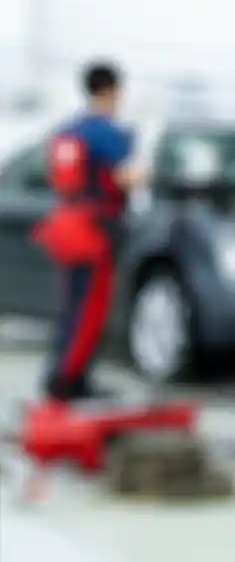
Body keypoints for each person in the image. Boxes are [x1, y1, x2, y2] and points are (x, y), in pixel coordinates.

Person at [41, 62, 144, 400]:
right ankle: (68, 382)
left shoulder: (68, 130)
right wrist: (144, 172)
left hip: (66, 224)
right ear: (111, 91)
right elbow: (127, 177)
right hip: (94, 230)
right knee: (90, 310)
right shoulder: (106, 132)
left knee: (71, 306)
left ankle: (62, 376)